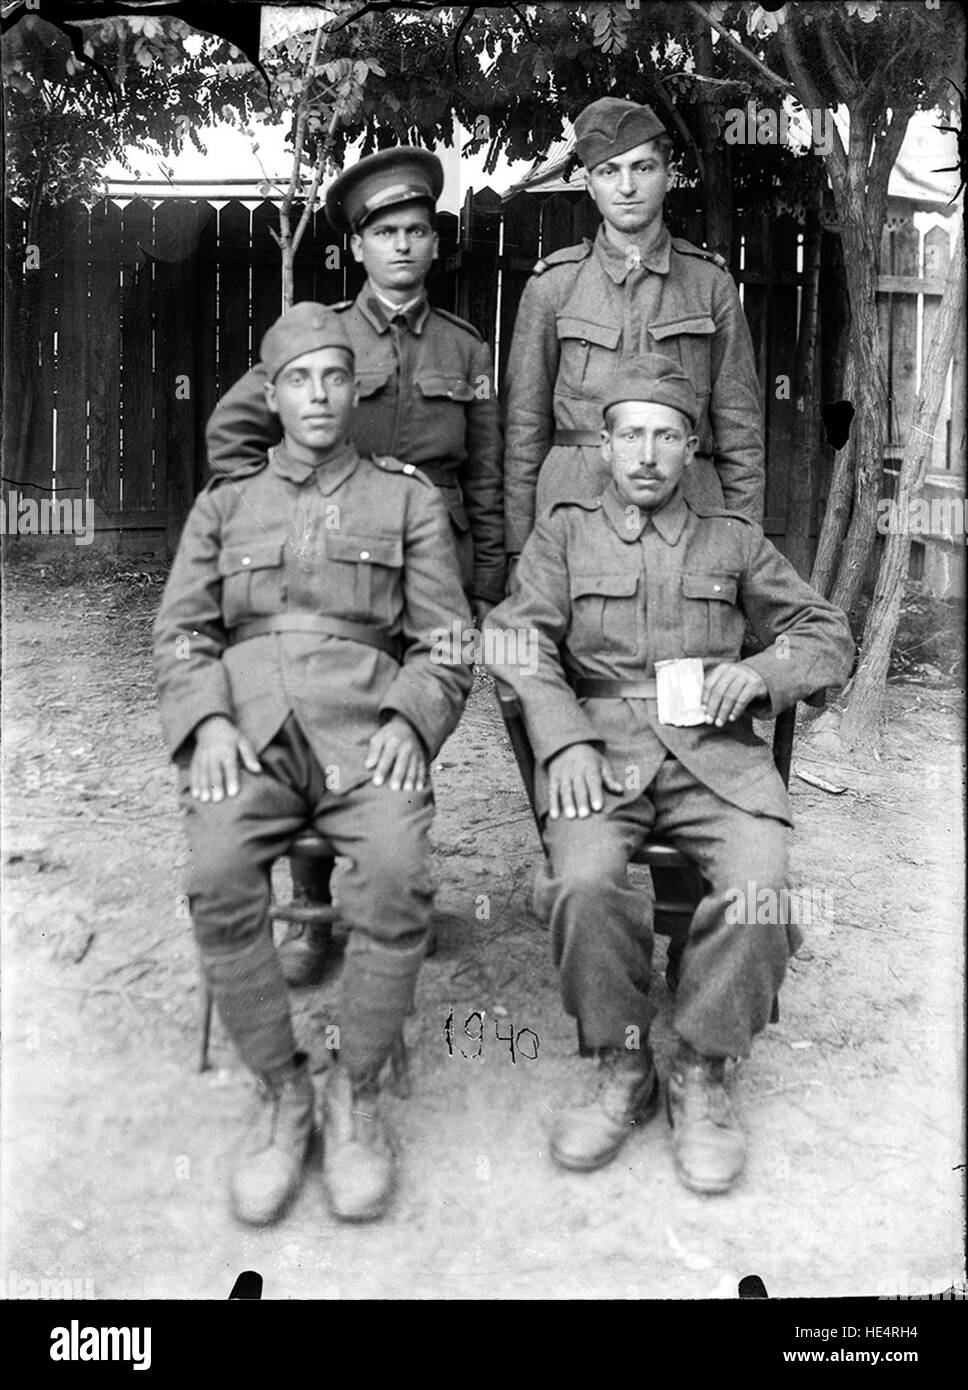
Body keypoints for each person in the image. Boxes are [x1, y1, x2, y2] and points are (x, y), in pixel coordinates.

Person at [484, 355, 853, 1195]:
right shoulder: (564, 535)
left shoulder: (733, 540)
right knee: (583, 882)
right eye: (631, 436)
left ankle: (700, 1065)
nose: (647, 455)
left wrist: (764, 673)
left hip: (716, 759)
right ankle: (622, 1064)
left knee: (761, 887)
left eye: (666, 436)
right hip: (601, 754)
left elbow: (824, 631)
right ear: (605, 447)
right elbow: (513, 640)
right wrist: (562, 737)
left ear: (691, 448)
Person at [153, 303, 473, 1226]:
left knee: (399, 875)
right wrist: (207, 726)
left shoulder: (406, 497)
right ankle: (284, 1089)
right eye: (299, 379)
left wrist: (413, 725)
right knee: (215, 875)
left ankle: (357, 1093)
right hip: (248, 734)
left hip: (366, 732)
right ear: (273, 392)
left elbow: (448, 643)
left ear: (356, 387)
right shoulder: (225, 504)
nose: (321, 394)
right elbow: (181, 635)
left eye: (336, 377)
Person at [206, 146, 504, 621]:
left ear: (435, 243)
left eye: (416, 231)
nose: (402, 245)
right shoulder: (323, 335)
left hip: (441, 567)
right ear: (359, 247)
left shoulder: (467, 349)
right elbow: (231, 433)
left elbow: (486, 477)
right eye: (385, 232)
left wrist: (488, 582)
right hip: (339, 558)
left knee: (434, 690)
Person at [503, 96, 765, 571]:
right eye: (608, 171)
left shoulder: (710, 286)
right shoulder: (554, 286)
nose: (626, 187)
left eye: (643, 168)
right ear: (589, 185)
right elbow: (524, 433)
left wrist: (742, 544)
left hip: (690, 516)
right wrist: (522, 552)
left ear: (669, 176)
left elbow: (740, 434)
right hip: (575, 512)